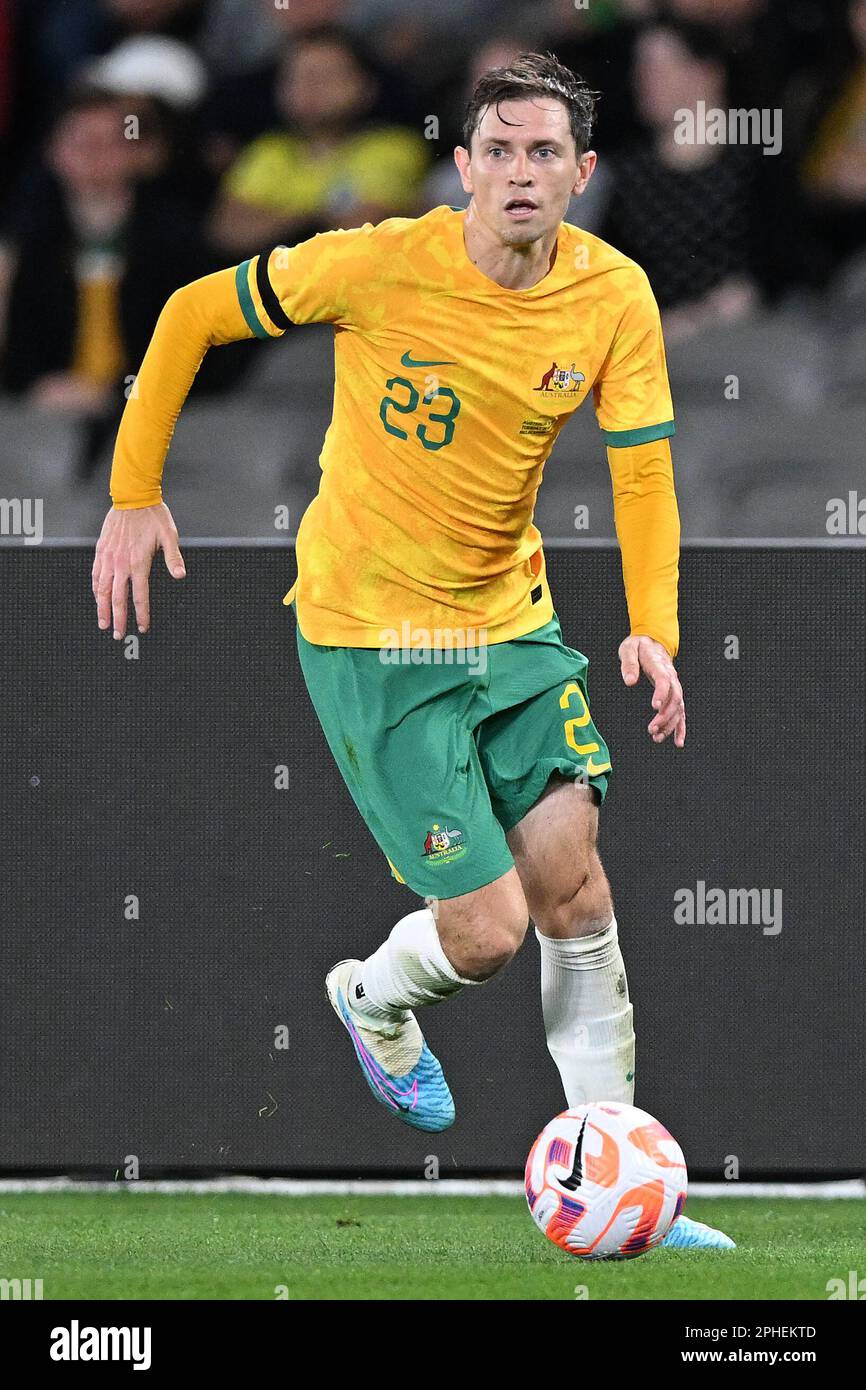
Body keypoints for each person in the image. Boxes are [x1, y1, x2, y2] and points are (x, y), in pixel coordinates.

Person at [94, 51, 734, 1252]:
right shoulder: (378, 262)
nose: (520, 172)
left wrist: (655, 627)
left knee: (575, 885)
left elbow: (642, 469)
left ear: (583, 173)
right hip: (373, 636)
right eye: (497, 150)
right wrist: (134, 490)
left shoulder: (611, 295)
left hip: (510, 621)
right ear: (462, 166)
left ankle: (624, 1185)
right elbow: (187, 314)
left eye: (545, 151)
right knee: (486, 934)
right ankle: (368, 998)